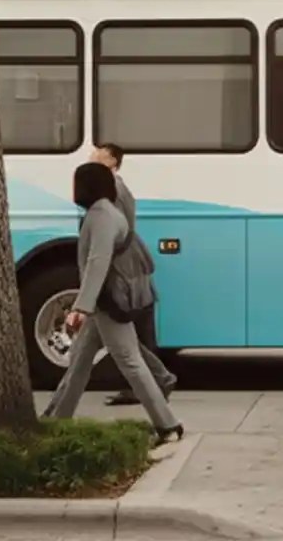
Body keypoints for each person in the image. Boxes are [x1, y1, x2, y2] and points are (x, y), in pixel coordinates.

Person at [43, 162, 183, 444]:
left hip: (107, 303)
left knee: (130, 362)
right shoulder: (108, 210)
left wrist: (81, 307)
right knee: (79, 362)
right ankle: (55, 419)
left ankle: (167, 425)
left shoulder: (101, 216)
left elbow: (98, 262)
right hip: (103, 303)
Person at [90, 143, 178, 407]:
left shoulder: (113, 191)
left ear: (113, 162)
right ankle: (154, 382)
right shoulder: (115, 189)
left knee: (127, 329)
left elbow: (112, 233)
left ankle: (154, 382)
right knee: (130, 330)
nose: (92, 158)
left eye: (98, 155)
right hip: (130, 266)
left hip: (125, 267)